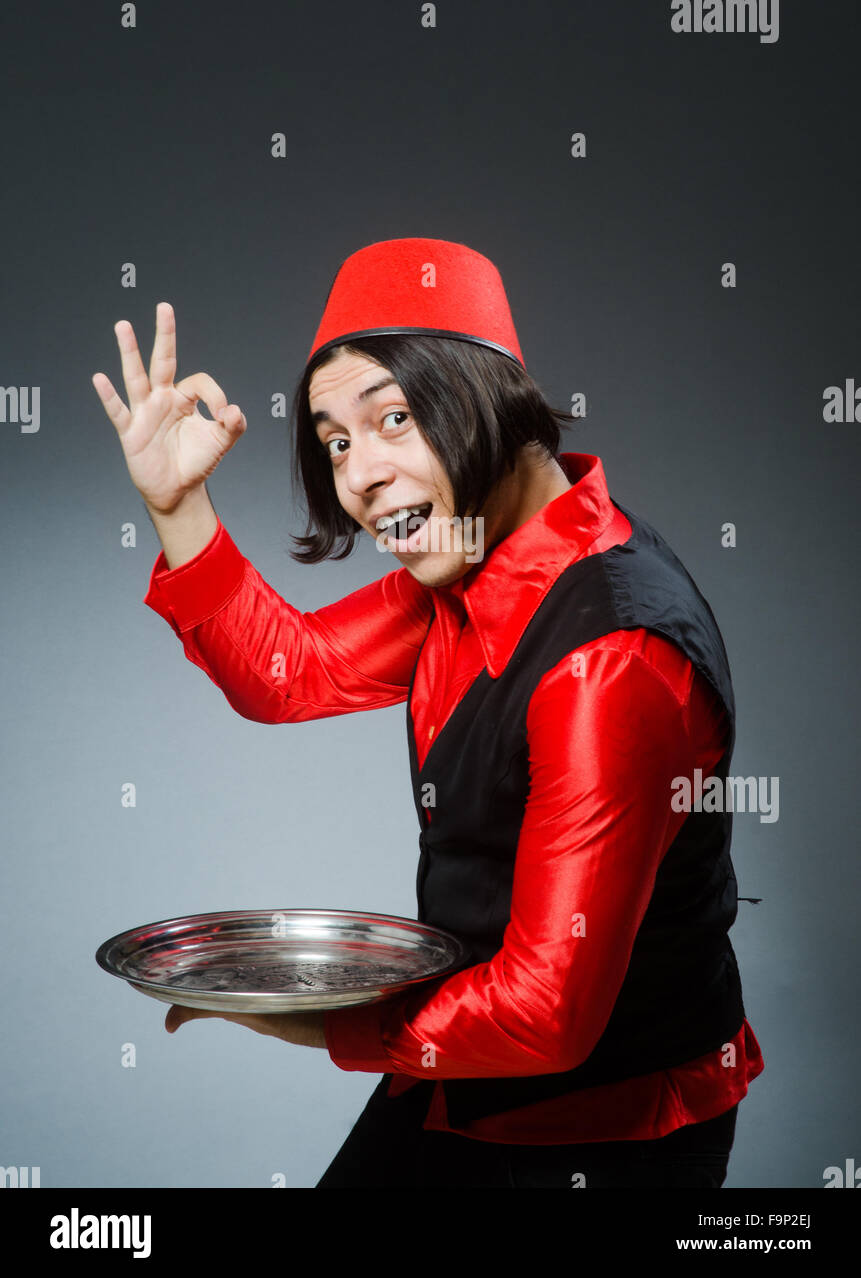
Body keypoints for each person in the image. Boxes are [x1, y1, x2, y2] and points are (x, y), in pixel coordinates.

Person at [91, 236, 764, 1188]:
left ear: (489, 403)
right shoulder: (473, 550)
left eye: (393, 417)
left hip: (600, 1130)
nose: (357, 476)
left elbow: (545, 1012)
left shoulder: (607, 661)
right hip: (457, 1075)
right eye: (333, 441)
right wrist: (177, 503)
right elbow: (290, 672)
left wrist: (298, 1016)